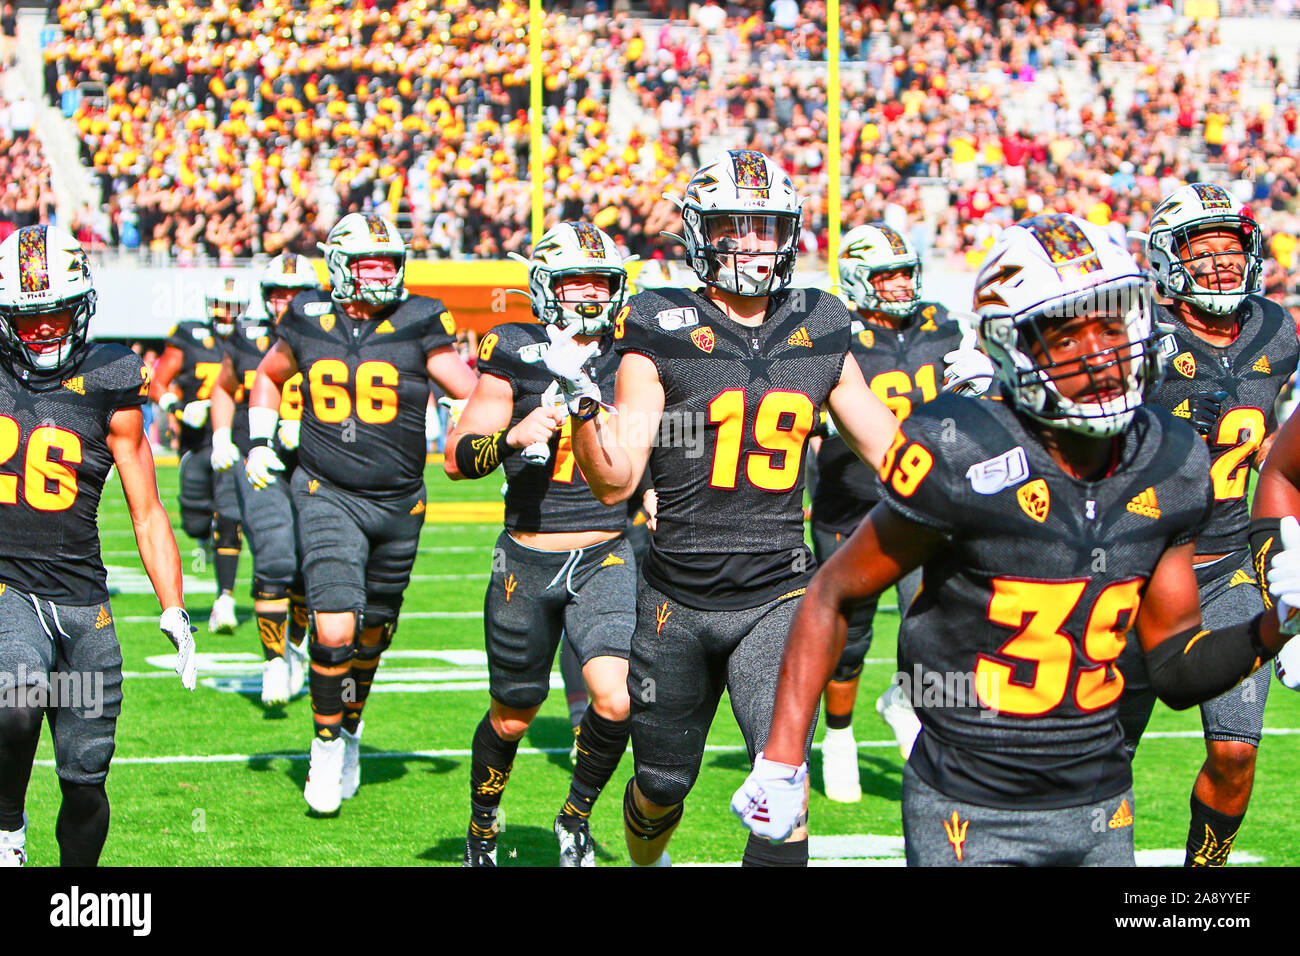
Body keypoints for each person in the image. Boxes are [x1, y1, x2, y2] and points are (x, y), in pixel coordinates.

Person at [732, 213, 1293, 866]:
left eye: (1113, 324)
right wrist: (782, 758)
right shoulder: (964, 449)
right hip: (968, 803)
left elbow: (1175, 669)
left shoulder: (1172, 458)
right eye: (1067, 333)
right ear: (1014, 347)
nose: (1101, 353)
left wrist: (1277, 625)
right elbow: (833, 593)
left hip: (1100, 806)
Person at [549, 150, 900, 866]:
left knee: (782, 788)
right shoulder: (658, 322)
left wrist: (978, 434)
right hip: (675, 601)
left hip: (780, 595)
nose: (753, 244)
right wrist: (583, 405)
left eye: (767, 227)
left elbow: (894, 454)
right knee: (661, 786)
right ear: (700, 232)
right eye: (734, 227)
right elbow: (615, 482)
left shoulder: (820, 319)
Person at [246, 213, 477, 814]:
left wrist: (483, 425)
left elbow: (470, 391)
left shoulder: (420, 317)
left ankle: (348, 728)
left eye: (388, 264)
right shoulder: (306, 316)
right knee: (334, 629)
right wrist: (260, 439)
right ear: (340, 266)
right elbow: (267, 376)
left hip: (400, 502)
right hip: (326, 491)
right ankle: (324, 745)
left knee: (372, 636)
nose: (380, 275)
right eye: (368, 265)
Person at [0, 225, 195, 867]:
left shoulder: (110, 375)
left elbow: (147, 509)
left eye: (56, 314)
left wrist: (174, 606)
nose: (44, 331)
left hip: (83, 605)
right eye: (28, 319)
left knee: (85, 780)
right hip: (8, 588)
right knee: (16, 696)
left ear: (81, 307)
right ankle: (6, 833)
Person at [446, 221, 639, 867]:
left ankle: (575, 818)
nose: (589, 293)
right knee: (513, 715)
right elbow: (456, 459)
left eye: (600, 281)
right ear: (544, 285)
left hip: (606, 550)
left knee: (617, 698)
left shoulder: (634, 351)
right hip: (526, 556)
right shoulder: (514, 347)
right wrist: (512, 436)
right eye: (574, 280)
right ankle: (482, 826)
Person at [1118, 183, 1298, 866]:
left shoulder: (1274, 328)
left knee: (1235, 752)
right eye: (1203, 251)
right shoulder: (1136, 335)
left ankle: (1203, 884)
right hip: (1133, 574)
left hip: (1226, 569)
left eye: (1230, 248)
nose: (1221, 263)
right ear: (1169, 259)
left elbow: (1274, 434)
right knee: (1103, 758)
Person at [811, 222, 966, 801]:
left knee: (935, 622)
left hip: (924, 500)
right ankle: (839, 737)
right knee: (849, 637)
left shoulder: (941, 324)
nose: (901, 284)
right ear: (858, 278)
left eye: (906, 272)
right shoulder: (835, 334)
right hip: (851, 503)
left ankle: (905, 699)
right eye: (887, 275)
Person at [210, 254, 319, 706]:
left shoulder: (333, 334)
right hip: (262, 460)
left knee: (309, 565)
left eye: (293, 294)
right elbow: (223, 386)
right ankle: (273, 661)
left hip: (316, 465)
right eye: (276, 294)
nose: (283, 302)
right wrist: (221, 434)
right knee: (274, 557)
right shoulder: (249, 337)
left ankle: (295, 647)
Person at [149, 276, 249, 634]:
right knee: (194, 521)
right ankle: (204, 538)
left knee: (229, 517)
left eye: (233, 307)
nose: (226, 313)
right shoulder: (190, 336)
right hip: (196, 441)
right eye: (221, 306)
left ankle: (225, 599)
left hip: (235, 439)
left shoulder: (253, 338)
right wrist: (176, 407)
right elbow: (157, 381)